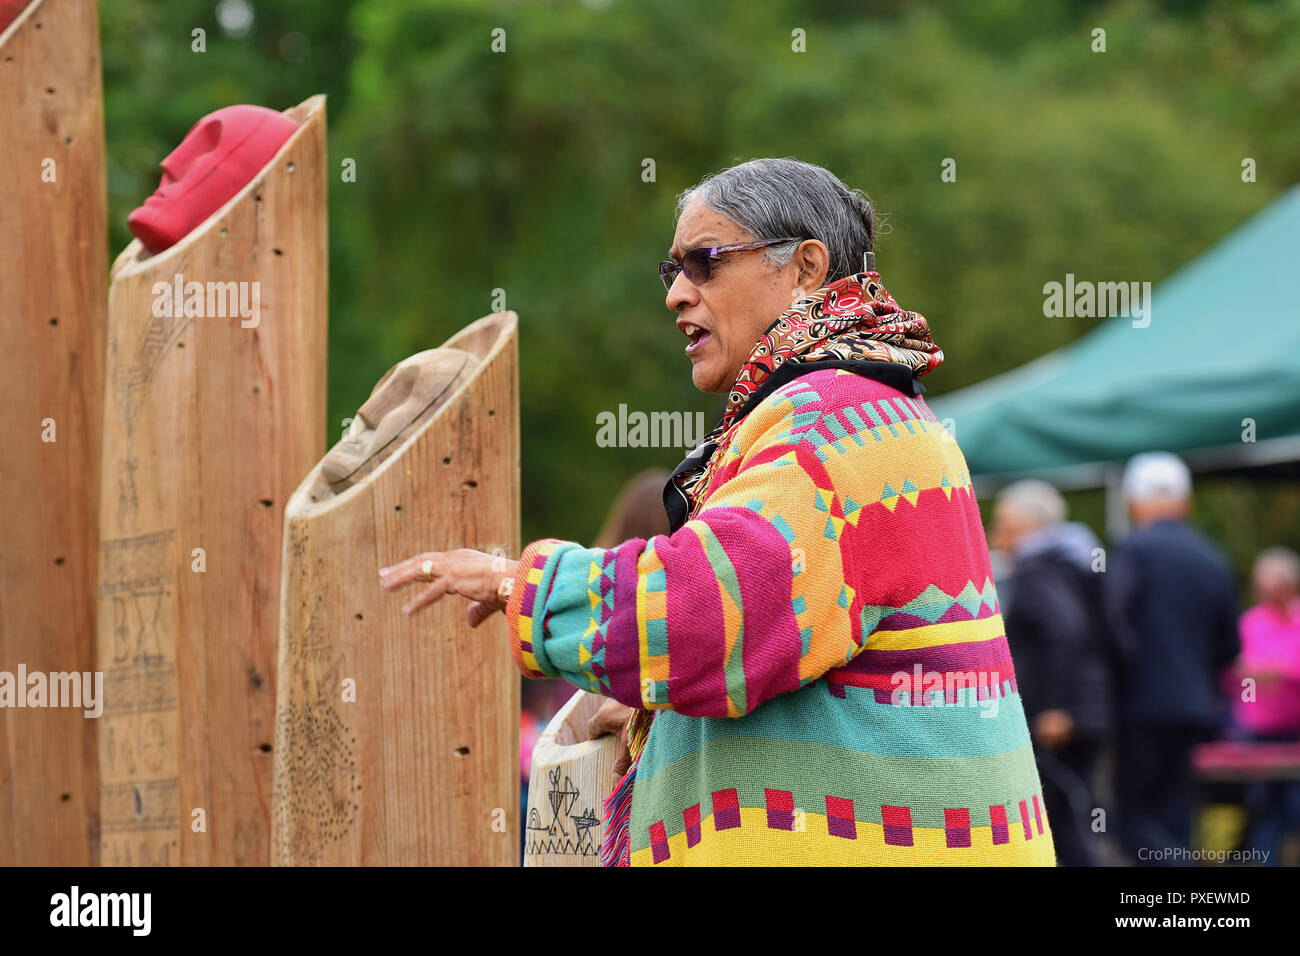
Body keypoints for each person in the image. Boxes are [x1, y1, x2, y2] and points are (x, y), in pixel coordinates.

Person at [380, 158, 1055, 866]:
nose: (676, 294)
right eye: (670, 269)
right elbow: (791, 652)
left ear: (803, 268)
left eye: (704, 262)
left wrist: (517, 581)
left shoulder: (832, 421)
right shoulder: (866, 400)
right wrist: (662, 720)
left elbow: (704, 614)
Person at [1105, 451, 1240, 865]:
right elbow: (1230, 646)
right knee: (1176, 812)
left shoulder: (1133, 550)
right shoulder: (1212, 557)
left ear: (1134, 501)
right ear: (1187, 502)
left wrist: (1124, 675)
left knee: (1138, 820)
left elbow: (1112, 622)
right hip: (1195, 708)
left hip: (1142, 707)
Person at [991, 480, 1114, 866]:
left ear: (1026, 527)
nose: (996, 537)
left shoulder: (1037, 569)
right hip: (1086, 709)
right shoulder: (1077, 562)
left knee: (1064, 827)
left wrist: (1058, 708)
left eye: (1003, 526)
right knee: (1072, 819)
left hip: (1057, 720)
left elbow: (1065, 630)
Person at [1230, 546, 1300, 864]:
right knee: (1262, 809)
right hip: (1258, 730)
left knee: (1294, 808)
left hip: (1295, 730)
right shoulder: (1251, 623)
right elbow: (1237, 677)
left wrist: (1280, 670)